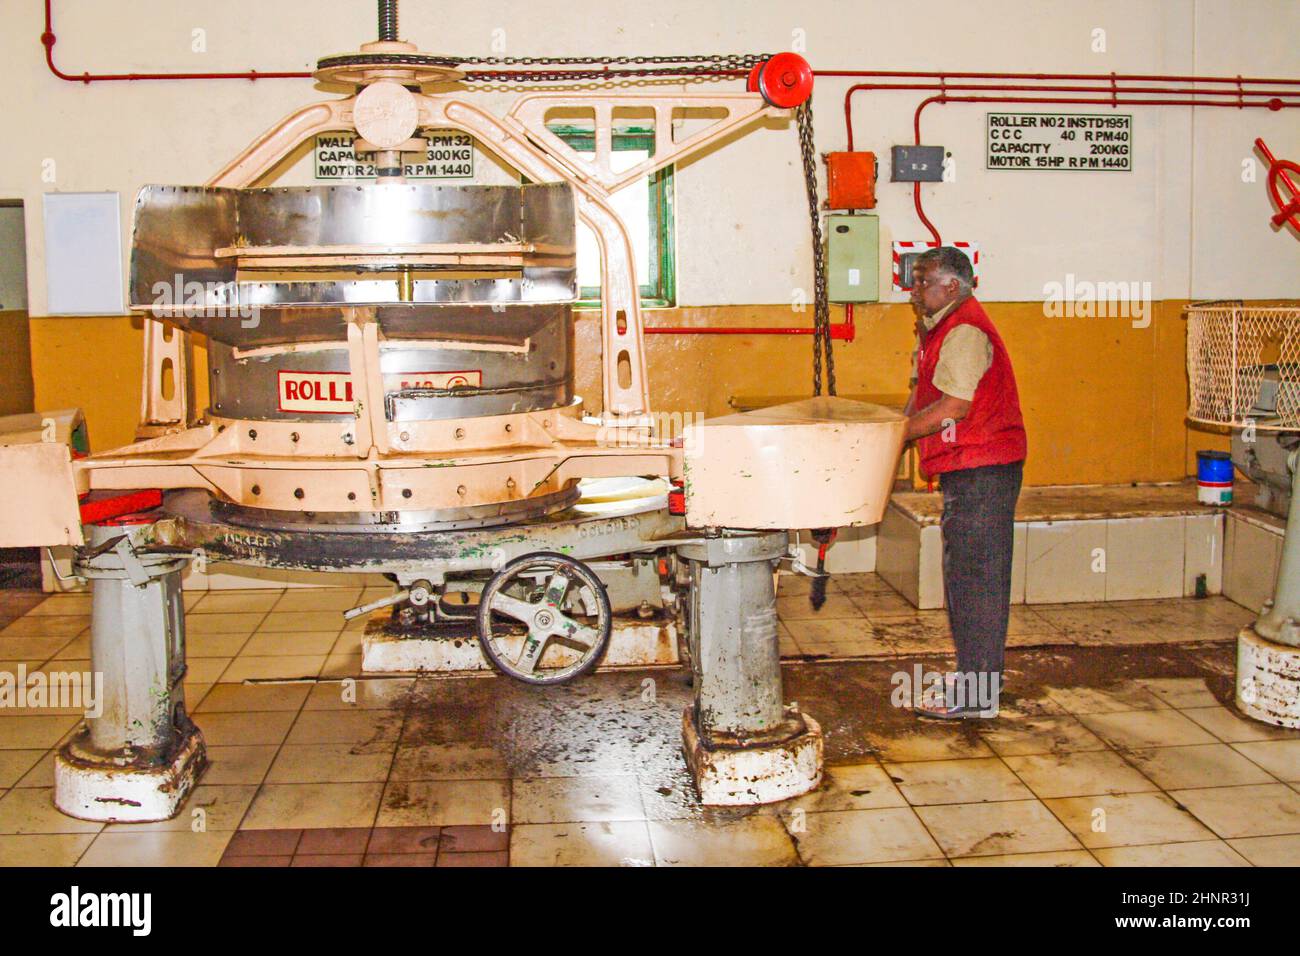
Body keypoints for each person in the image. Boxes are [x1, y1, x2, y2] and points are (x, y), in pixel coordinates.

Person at [901, 247, 1027, 719]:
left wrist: (897, 436)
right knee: (968, 577)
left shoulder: (964, 331)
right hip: (970, 467)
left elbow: (954, 407)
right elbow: (923, 395)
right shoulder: (941, 329)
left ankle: (978, 696)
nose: (915, 291)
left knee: (976, 581)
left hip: (983, 470)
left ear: (951, 286)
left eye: (923, 282)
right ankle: (976, 676)